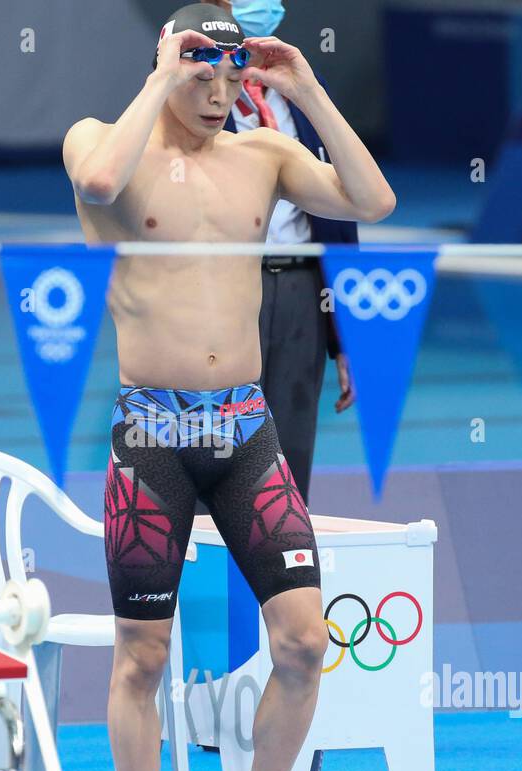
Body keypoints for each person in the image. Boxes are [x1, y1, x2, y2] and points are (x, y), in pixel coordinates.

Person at [63, 2, 394, 771]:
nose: (218, 93)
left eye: (229, 76)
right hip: (152, 441)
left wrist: (310, 91)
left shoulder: (263, 154)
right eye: (201, 74)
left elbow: (375, 199)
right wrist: (163, 75)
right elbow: (100, 184)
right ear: (170, 64)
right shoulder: (98, 137)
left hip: (246, 432)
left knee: (304, 642)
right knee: (141, 658)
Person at [219, 0, 357, 504]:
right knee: (217, 445)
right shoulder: (191, 97)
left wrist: (345, 338)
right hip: (227, 291)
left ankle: (283, 567)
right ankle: (207, 571)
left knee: (291, 453)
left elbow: (344, 214)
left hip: (303, 290)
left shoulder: (299, 92)